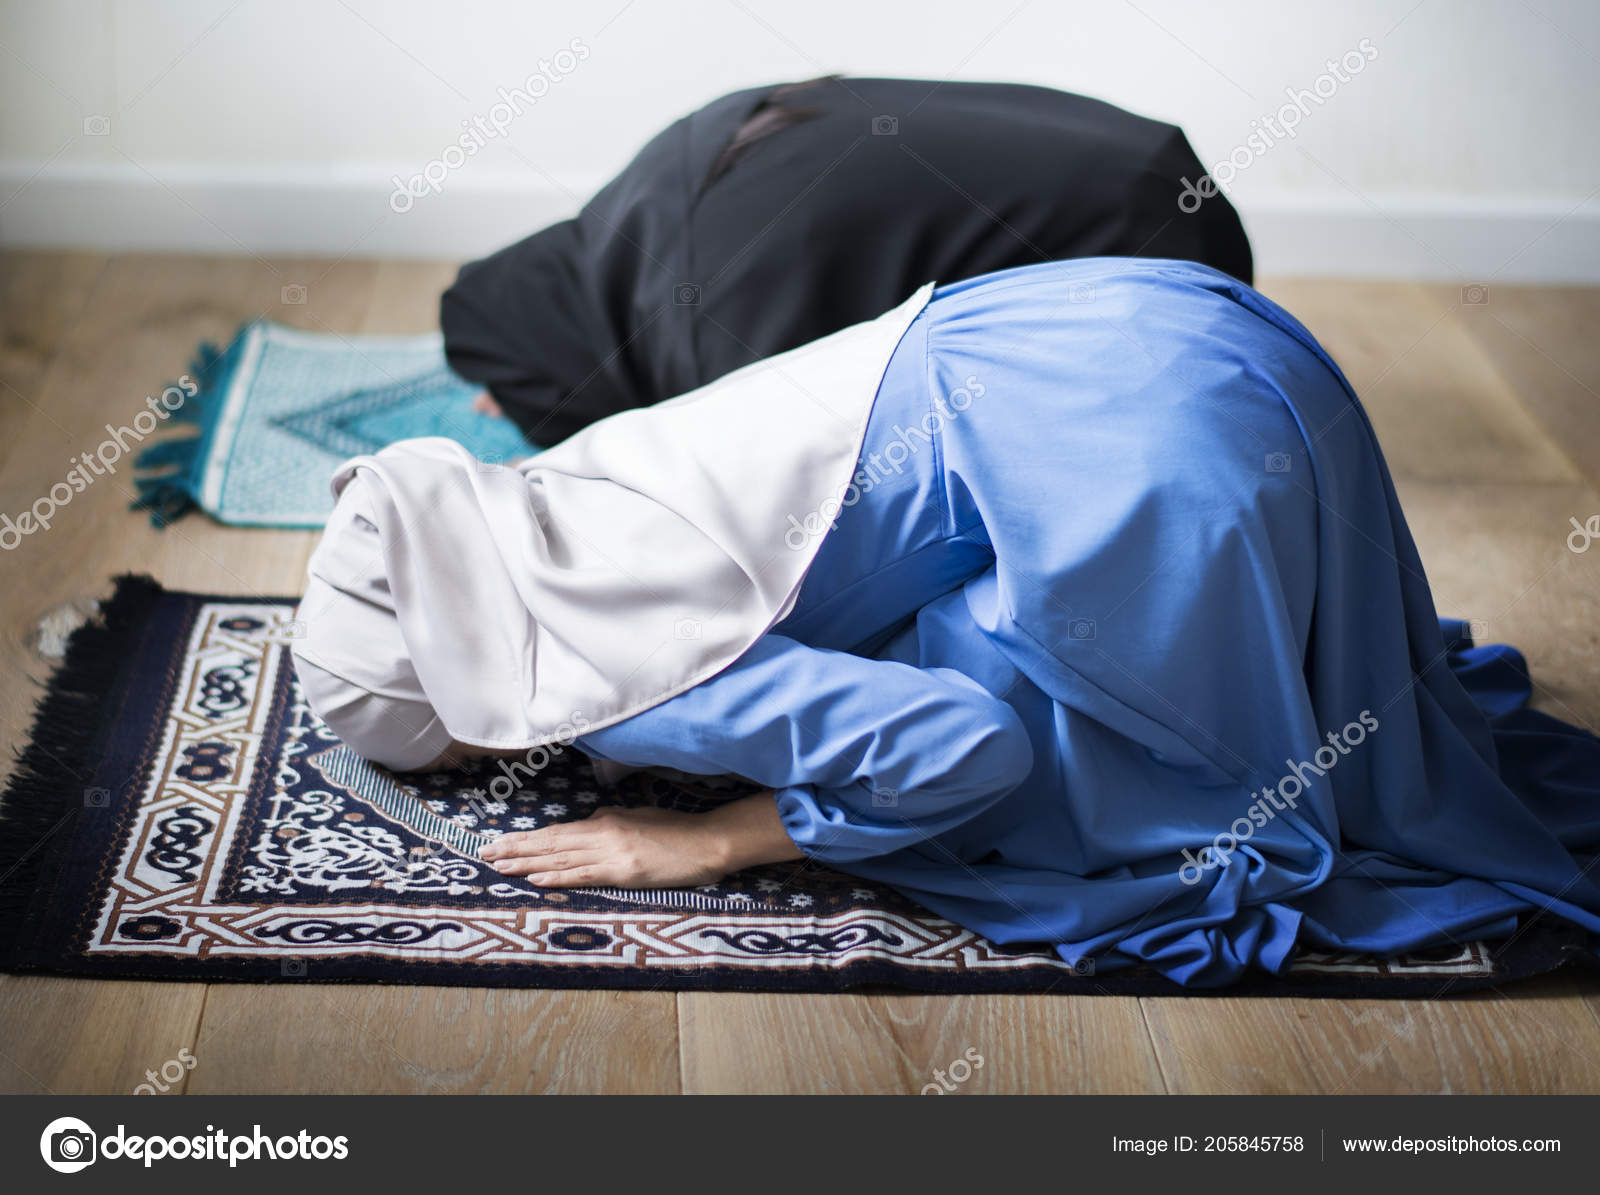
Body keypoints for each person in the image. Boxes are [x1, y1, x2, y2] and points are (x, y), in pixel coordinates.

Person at [295, 257, 1600, 988]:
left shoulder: (620, 671)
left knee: (1128, 791)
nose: (501, 764)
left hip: (1146, 445)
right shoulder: (546, 491)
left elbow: (968, 744)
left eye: (468, 753)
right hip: (1117, 314)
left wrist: (717, 838)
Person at [440, 76, 1253, 446]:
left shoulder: (703, 322)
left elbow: (786, 516)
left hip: (1159, 260)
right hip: (1148, 160)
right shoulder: (670, 167)